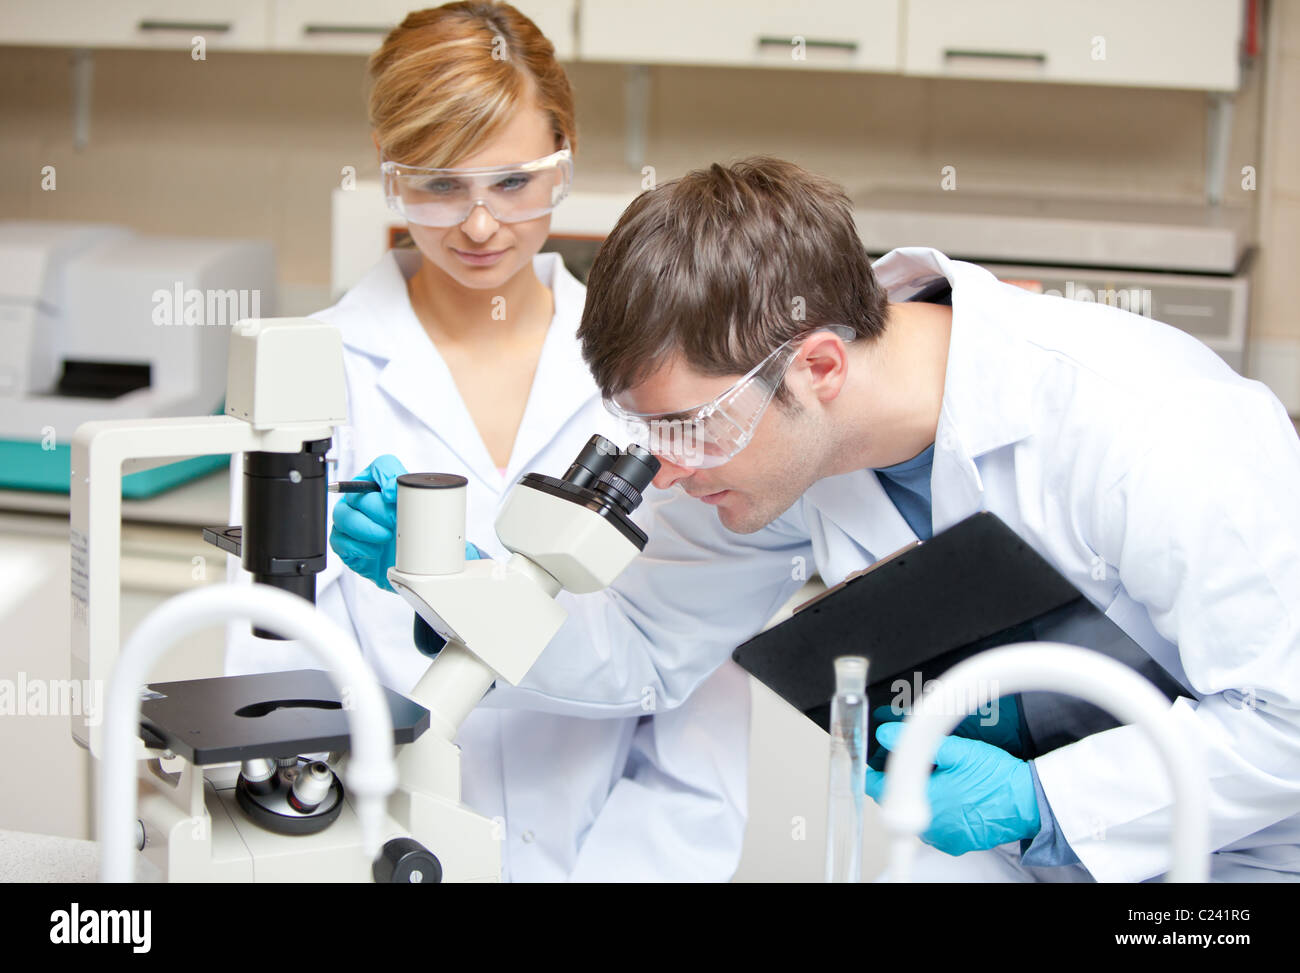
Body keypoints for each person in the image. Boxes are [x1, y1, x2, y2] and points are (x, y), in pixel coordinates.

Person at [346, 155, 1299, 882]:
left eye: (691, 426)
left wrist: (1041, 798)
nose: (669, 472)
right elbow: (641, 644)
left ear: (821, 367)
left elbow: (1288, 720)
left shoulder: (1145, 423)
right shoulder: (776, 447)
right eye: (646, 430)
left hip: (1242, 864)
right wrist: (462, 584)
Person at [225, 1, 750, 883]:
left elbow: (697, 677)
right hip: (377, 855)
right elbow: (270, 667)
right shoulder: (311, 372)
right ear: (389, 171)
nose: (478, 225)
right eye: (438, 183)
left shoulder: (653, 377)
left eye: (513, 183)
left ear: (565, 159)